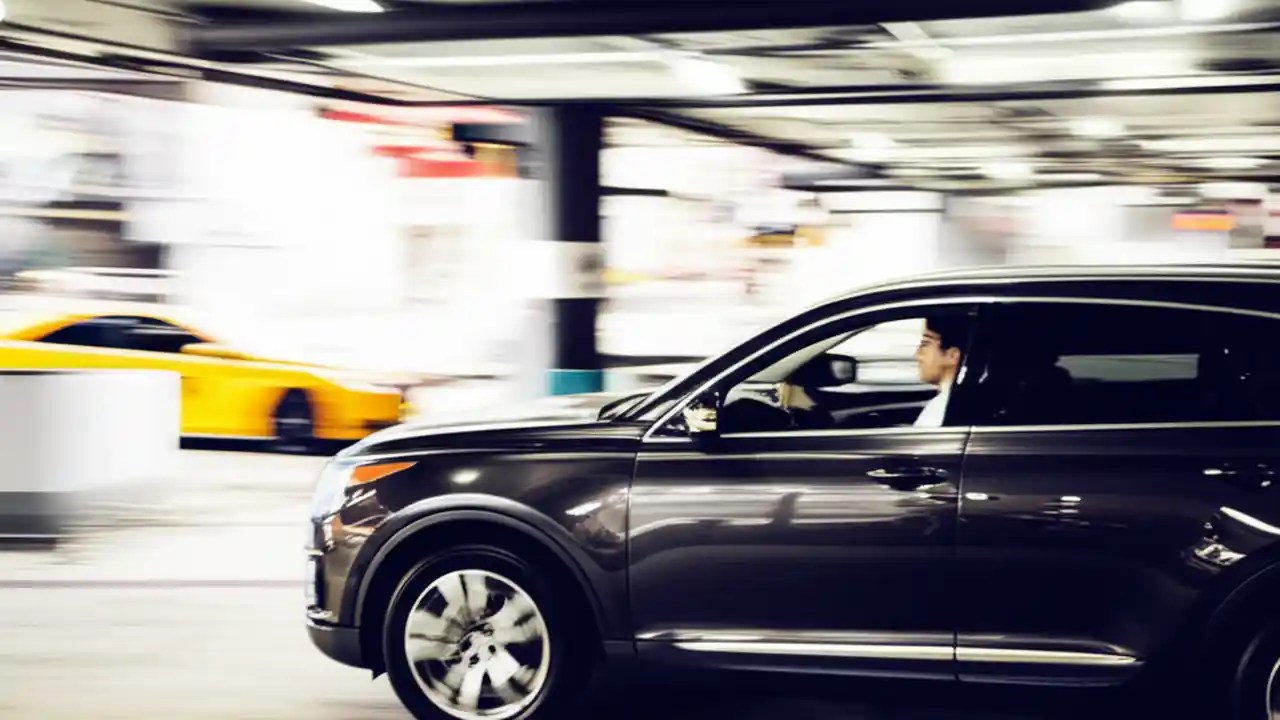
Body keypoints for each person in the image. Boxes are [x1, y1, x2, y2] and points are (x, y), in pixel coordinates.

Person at [913, 315, 969, 427]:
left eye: (924, 344)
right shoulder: (951, 403)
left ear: (952, 355)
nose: (917, 355)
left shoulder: (939, 410)